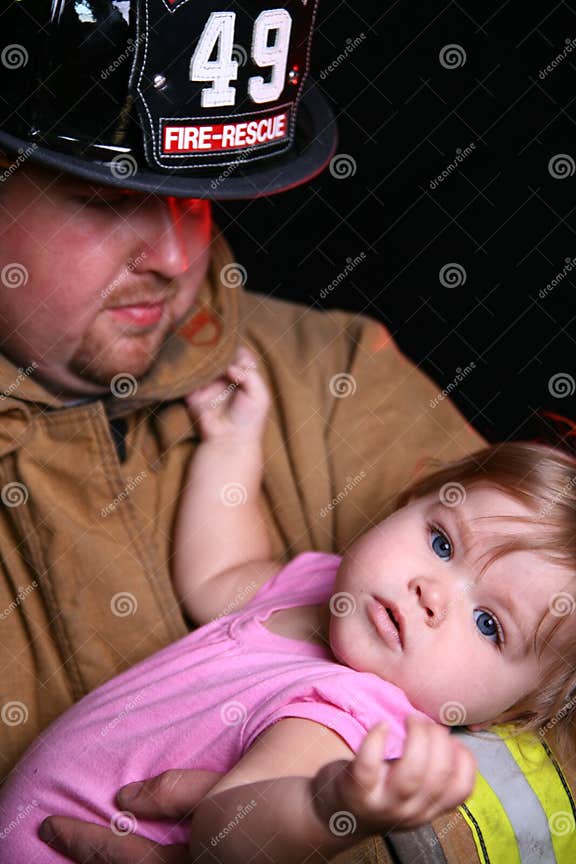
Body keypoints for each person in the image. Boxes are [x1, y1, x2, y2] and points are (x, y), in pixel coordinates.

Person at [0, 2, 515, 863]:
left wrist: (370, 838)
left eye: (196, 201)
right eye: (107, 197)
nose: (173, 258)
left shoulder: (336, 375)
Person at [1, 350, 575, 863]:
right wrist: (233, 448)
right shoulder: (327, 585)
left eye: (488, 624)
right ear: (407, 502)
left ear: (501, 716)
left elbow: (226, 834)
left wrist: (328, 806)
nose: (433, 593)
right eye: (443, 543)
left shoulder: (356, 714)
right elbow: (219, 576)